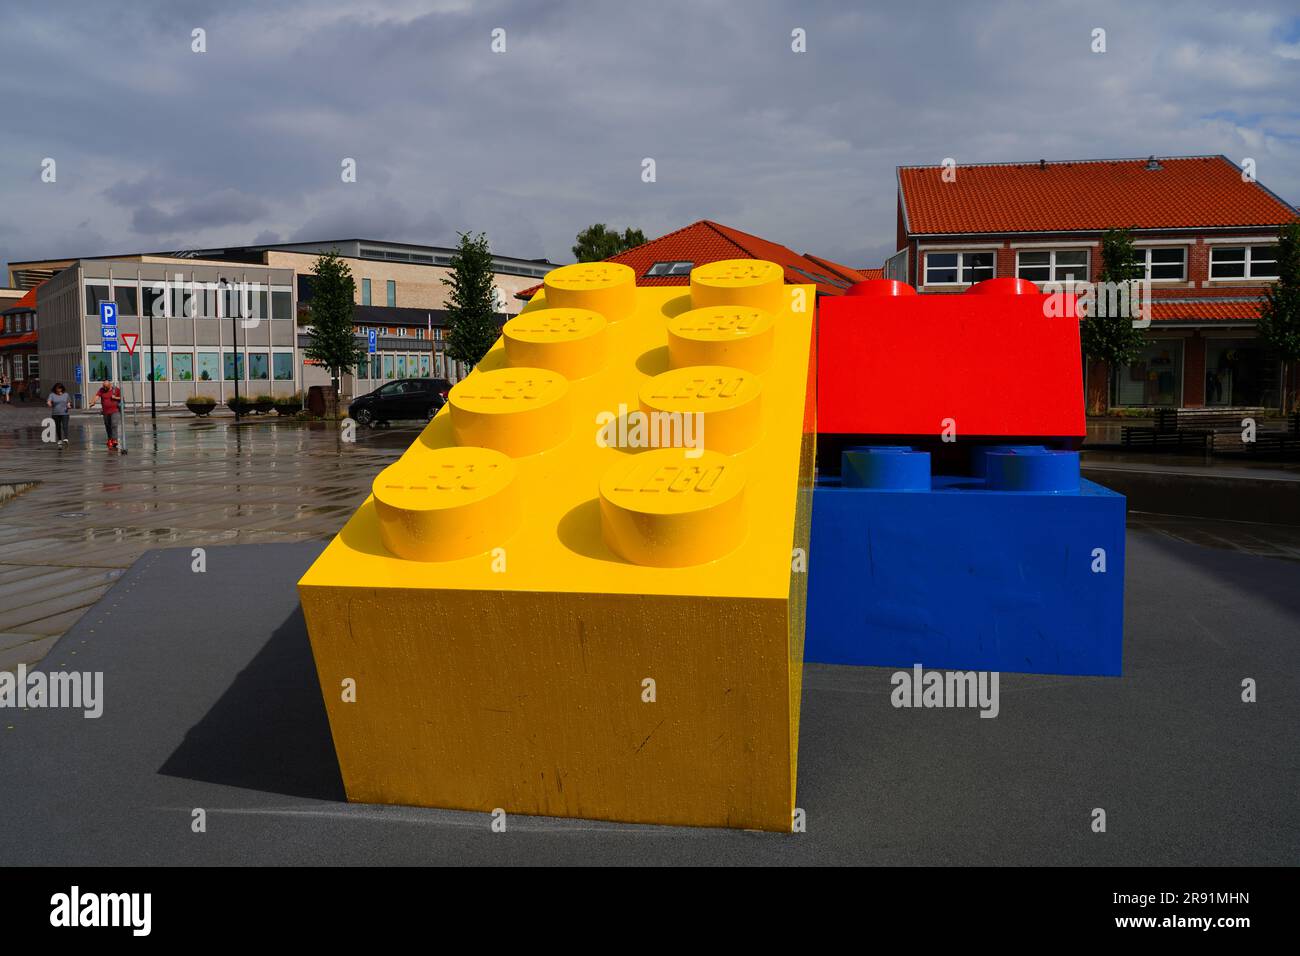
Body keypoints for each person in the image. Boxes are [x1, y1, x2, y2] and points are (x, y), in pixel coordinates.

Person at [88, 379, 127, 454]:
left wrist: (115, 397)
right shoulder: (101, 390)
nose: (104, 388)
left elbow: (122, 398)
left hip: (115, 410)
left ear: (110, 385)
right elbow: (97, 396)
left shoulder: (116, 390)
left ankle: (114, 440)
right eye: (104, 386)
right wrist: (93, 402)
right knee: (107, 425)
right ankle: (110, 439)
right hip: (105, 411)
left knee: (114, 424)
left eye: (106, 387)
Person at [47, 382, 71, 446]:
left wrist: (68, 405)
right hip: (55, 414)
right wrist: (49, 404)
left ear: (62, 389)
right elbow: (49, 401)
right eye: (57, 388)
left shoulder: (66, 394)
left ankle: (66, 438)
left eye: (60, 388)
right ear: (55, 389)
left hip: (65, 413)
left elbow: (68, 402)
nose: (58, 390)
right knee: (58, 427)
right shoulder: (52, 395)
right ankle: (60, 440)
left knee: (65, 426)